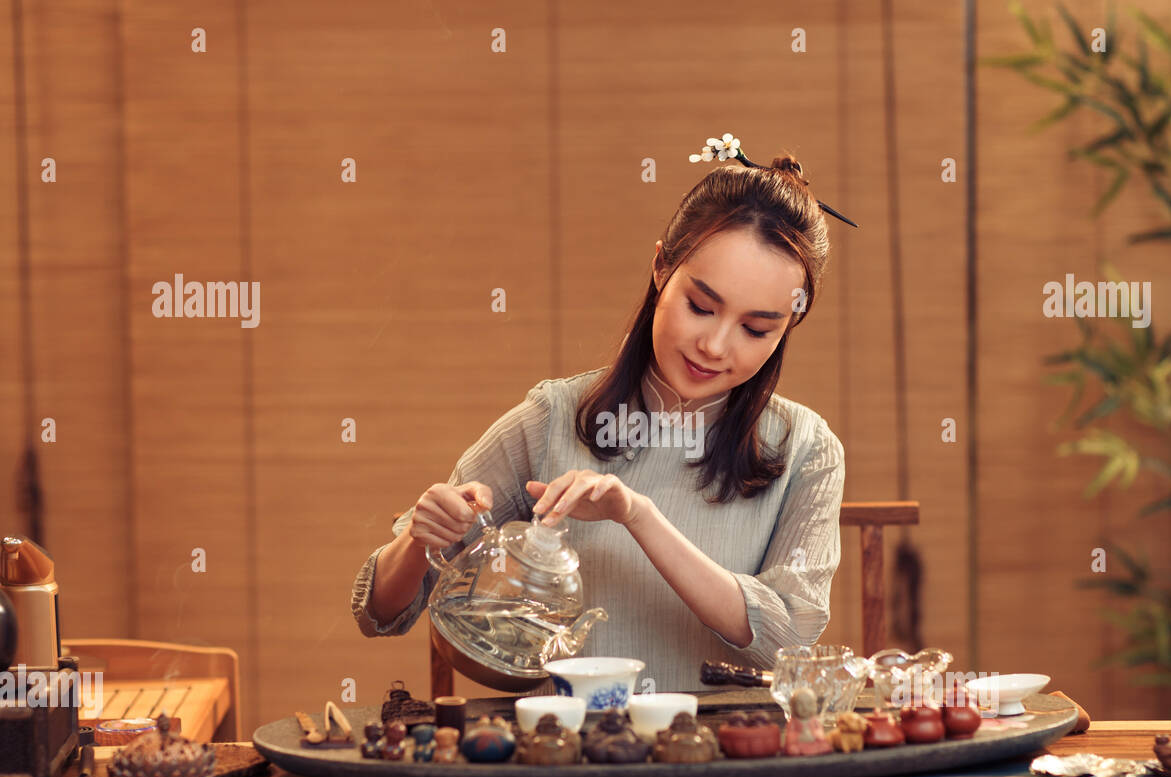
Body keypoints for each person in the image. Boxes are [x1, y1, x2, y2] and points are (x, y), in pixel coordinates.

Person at [350, 150, 847, 693]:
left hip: (726, 759)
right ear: (662, 268)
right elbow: (379, 612)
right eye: (700, 307)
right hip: (565, 759)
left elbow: (788, 638)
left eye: (756, 329)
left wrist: (638, 515)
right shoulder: (554, 417)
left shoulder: (807, 449)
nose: (715, 344)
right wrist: (421, 540)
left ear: (789, 324)